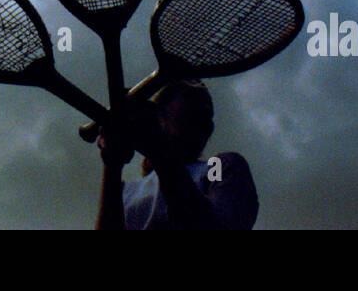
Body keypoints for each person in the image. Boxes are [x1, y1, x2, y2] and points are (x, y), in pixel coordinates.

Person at [95, 80, 258, 230]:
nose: (206, 110)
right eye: (191, 96)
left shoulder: (217, 167)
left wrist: (158, 149)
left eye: (210, 113)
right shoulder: (126, 191)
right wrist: (112, 164)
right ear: (161, 115)